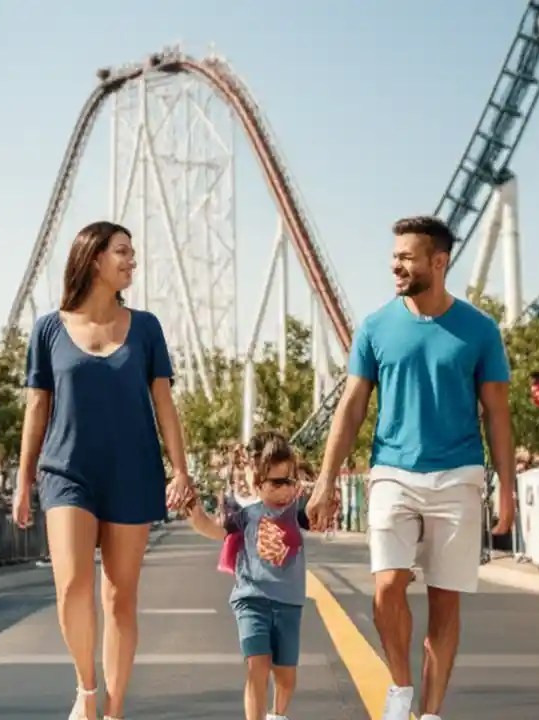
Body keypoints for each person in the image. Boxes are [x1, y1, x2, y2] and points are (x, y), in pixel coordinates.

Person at [306, 215, 516, 720]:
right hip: (392, 473)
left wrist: (505, 488)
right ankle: (400, 687)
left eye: (406, 256)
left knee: (446, 604)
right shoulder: (376, 327)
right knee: (387, 584)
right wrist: (325, 479)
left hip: (459, 476)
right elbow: (352, 406)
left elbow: (498, 412)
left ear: (438, 262)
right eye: (394, 255)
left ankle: (431, 712)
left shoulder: (480, 331)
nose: (395, 264)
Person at [12, 220, 196, 720]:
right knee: (72, 584)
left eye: (132, 253)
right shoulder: (49, 328)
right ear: (94, 258)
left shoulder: (147, 327)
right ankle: (86, 691)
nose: (132, 260)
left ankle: (113, 711)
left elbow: (165, 404)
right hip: (66, 470)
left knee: (119, 596)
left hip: (133, 470)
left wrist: (179, 469)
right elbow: (36, 406)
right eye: (122, 252)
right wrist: (24, 477)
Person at [185, 432, 308, 720]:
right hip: (251, 600)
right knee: (257, 666)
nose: (286, 489)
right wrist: (194, 513)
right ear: (259, 484)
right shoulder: (246, 515)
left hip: (289, 603)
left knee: (286, 677)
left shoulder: (297, 511)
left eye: (291, 481)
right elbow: (216, 531)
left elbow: (318, 516)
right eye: (278, 483)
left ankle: (277, 715)